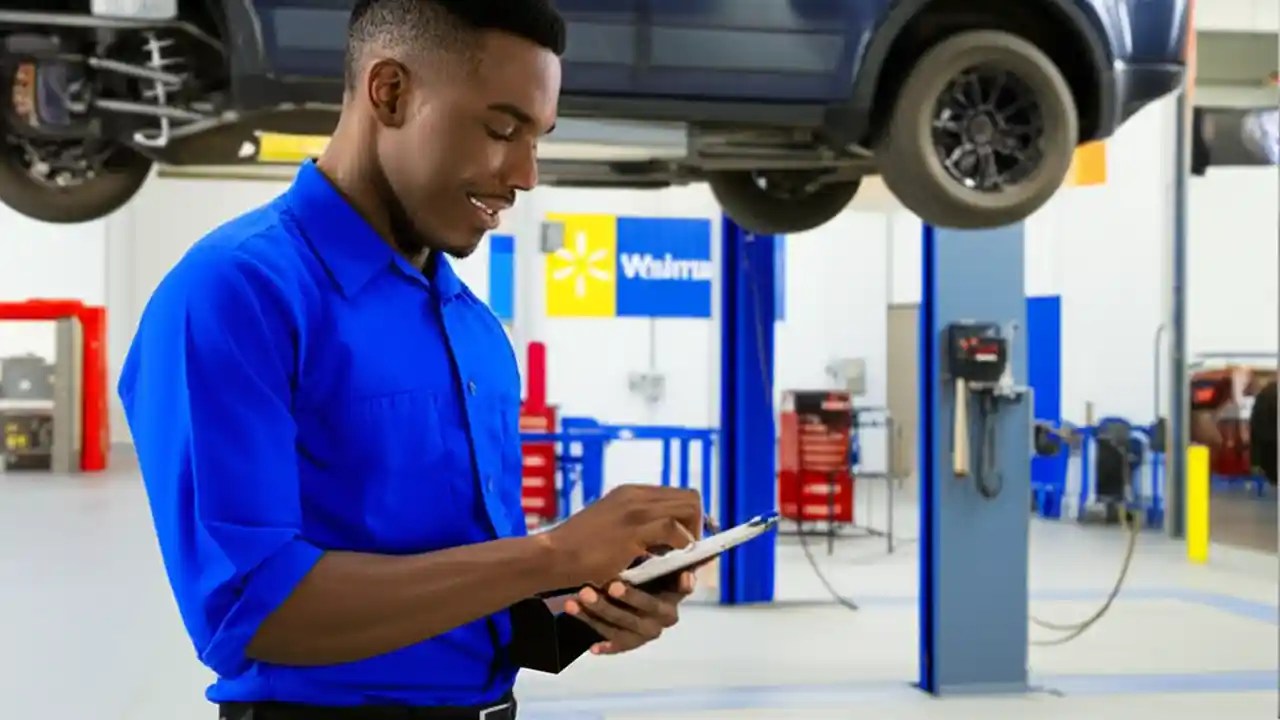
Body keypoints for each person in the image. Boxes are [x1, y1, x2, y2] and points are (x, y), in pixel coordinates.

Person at [117, 1, 707, 718]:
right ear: (389, 92)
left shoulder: (473, 328)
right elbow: (250, 609)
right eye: (501, 128)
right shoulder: (235, 293)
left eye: (538, 139)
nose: (524, 173)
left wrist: (585, 603)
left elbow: (463, 580)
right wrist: (552, 555)